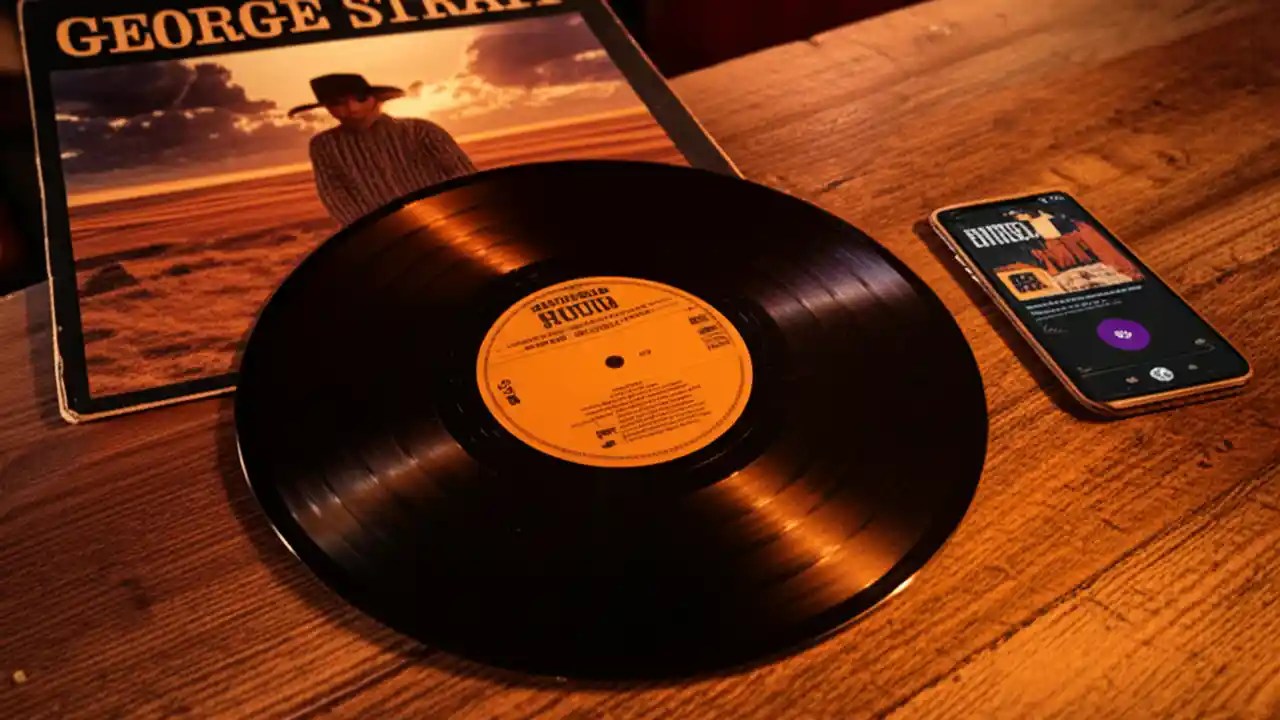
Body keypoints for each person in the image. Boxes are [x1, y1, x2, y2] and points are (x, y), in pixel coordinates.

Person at [289, 73, 477, 226]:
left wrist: (460, 216)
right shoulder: (324, 145)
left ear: (376, 99)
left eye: (360, 98)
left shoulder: (420, 130)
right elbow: (334, 195)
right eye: (337, 103)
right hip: (385, 237)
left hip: (449, 222)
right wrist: (371, 231)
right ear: (328, 109)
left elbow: (465, 176)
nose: (352, 108)